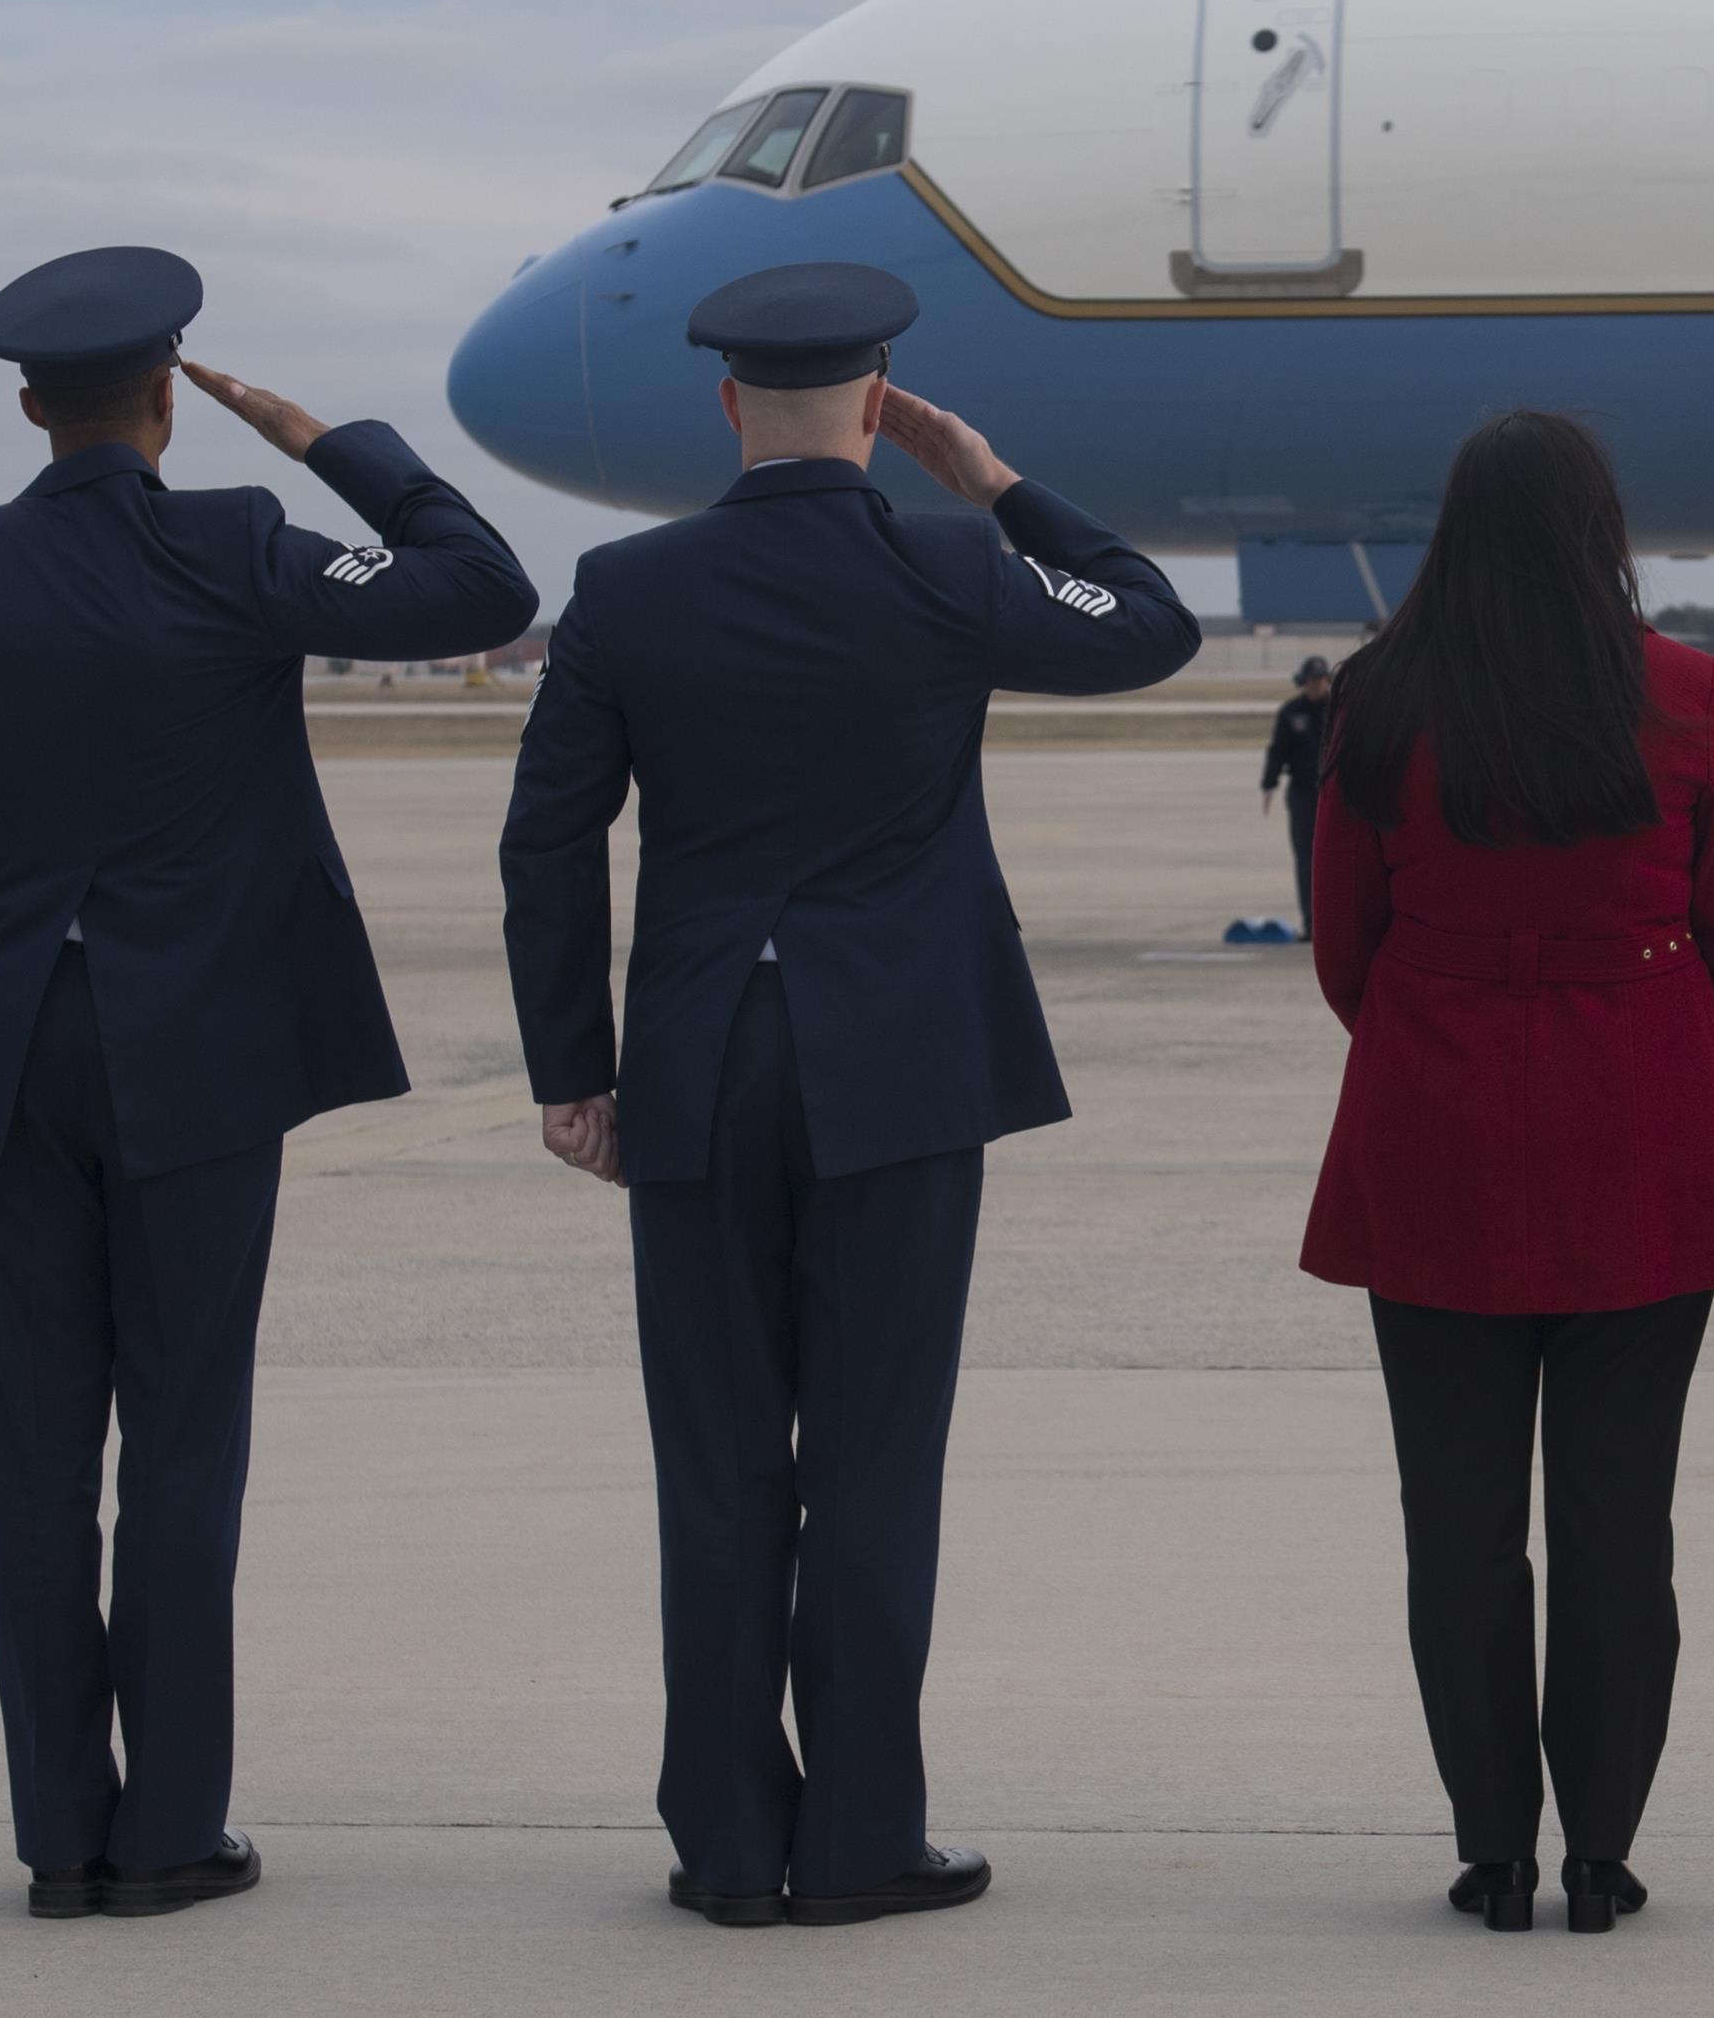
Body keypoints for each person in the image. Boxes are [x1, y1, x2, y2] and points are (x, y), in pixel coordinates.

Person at [0, 247, 534, 1920]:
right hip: (201, 1057)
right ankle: (169, 1831)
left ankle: (59, 1834)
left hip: (12, 1059)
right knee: (183, 1442)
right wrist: (323, 440)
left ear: (29, 406)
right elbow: (480, 585)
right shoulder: (235, 543)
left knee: (33, 1456)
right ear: (167, 396)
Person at [500, 260, 1198, 1930]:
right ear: (880, 406)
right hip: (898, 1066)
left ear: (725, 403)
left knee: (716, 1458)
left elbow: (548, 840)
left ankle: (728, 1840)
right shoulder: (946, 563)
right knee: (875, 1458)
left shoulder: (626, 585)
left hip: (697, 1065)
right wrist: (997, 482)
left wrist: (573, 1071)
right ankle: (864, 1831)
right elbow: (1146, 621)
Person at [1298, 411, 1714, 1937]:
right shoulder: (1683, 689)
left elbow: (1344, 943)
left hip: (1433, 1126)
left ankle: (1493, 1848)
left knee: (1458, 1526)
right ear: (1598, 530)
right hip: (1643, 1126)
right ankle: (1604, 1850)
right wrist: (1645, 1029)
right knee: (1621, 1521)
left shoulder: (1381, 696)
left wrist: (1444, 1024)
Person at [1255, 654, 1335, 933]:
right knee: (1306, 859)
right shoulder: (1291, 712)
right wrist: (1269, 784)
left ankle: (1335, 922)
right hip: (1302, 794)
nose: (1316, 686)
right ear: (1304, 682)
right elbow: (1278, 750)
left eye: (1321, 680)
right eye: (1312, 681)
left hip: (1334, 795)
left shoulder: (1339, 710)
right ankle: (1311, 922)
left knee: (1336, 859)